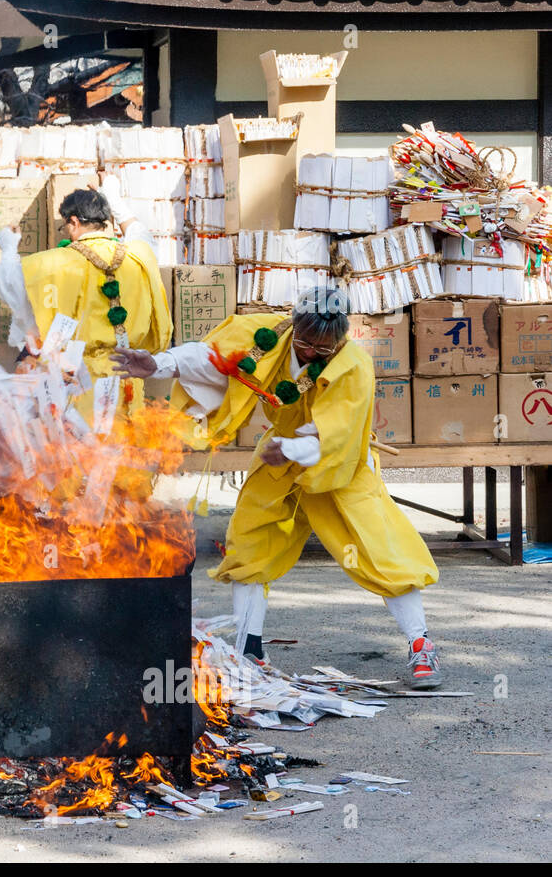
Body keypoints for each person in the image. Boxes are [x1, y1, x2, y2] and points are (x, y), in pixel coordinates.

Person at [112, 286, 443, 688]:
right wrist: (158, 365)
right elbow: (211, 357)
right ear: (294, 325)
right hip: (276, 452)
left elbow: (335, 432)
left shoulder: (353, 365)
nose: (309, 353)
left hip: (339, 462)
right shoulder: (263, 335)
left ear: (340, 338)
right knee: (250, 542)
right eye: (304, 342)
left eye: (323, 348)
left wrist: (292, 448)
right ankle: (248, 650)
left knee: (379, 546)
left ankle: (420, 644)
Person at [0, 187, 171, 431]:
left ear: (73, 222)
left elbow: (10, 285)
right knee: (126, 457)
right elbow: (141, 234)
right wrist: (114, 198)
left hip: (80, 383)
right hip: (129, 374)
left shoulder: (52, 263)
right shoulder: (139, 256)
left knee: (86, 459)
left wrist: (9, 247)